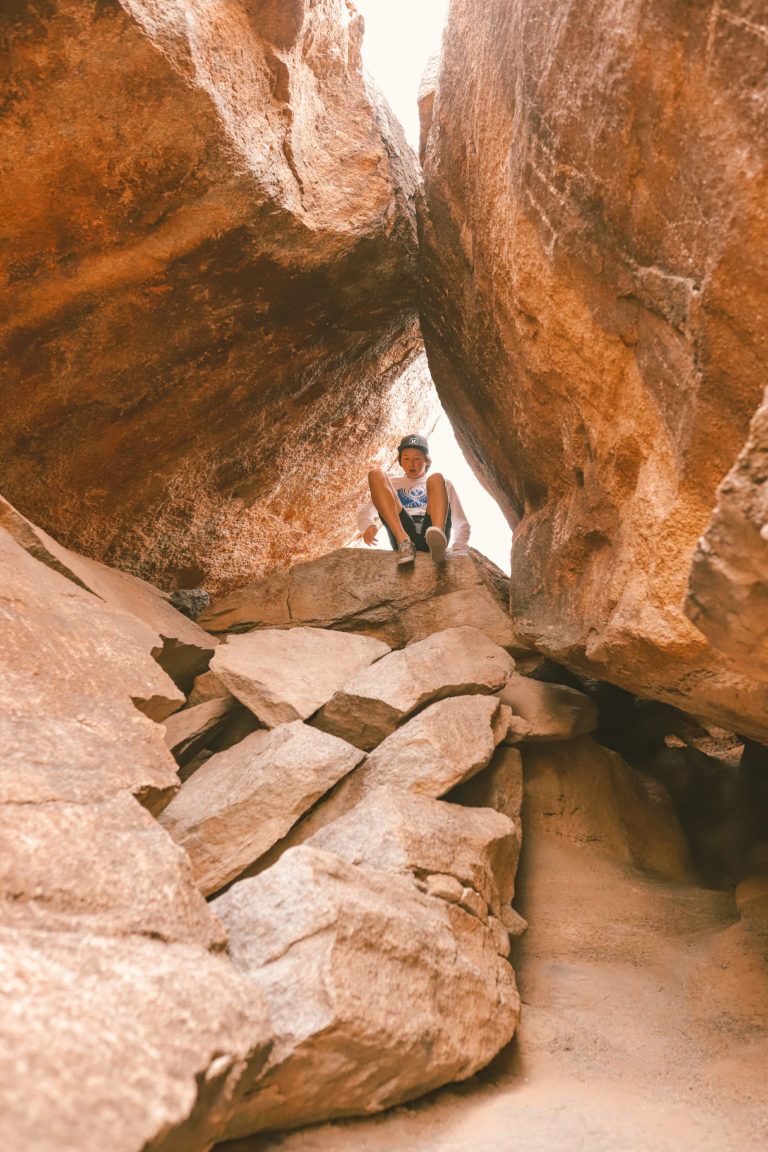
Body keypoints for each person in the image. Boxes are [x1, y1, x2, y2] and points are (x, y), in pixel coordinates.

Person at [357, 433, 470, 565]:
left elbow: (461, 522)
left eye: (417, 459)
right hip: (403, 533)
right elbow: (364, 512)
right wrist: (367, 526)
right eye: (406, 458)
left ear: (427, 461)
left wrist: (459, 548)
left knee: (436, 478)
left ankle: (437, 544)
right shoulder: (393, 483)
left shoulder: (444, 484)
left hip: (431, 529)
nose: (411, 464)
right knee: (376, 474)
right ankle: (404, 545)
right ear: (399, 460)